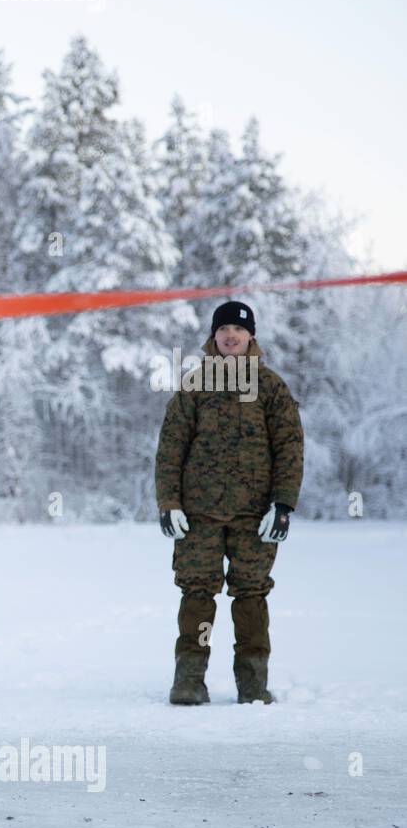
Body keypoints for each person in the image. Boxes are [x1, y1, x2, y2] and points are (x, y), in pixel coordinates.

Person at [155, 299, 304, 705]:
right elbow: (171, 448)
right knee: (197, 596)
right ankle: (189, 680)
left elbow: (290, 447)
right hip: (198, 516)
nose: (230, 336)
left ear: (250, 336)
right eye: (224, 330)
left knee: (251, 597)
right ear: (214, 336)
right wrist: (169, 502)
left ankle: (253, 684)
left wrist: (284, 505)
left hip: (254, 517)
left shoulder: (270, 386)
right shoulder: (194, 384)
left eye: (238, 330)